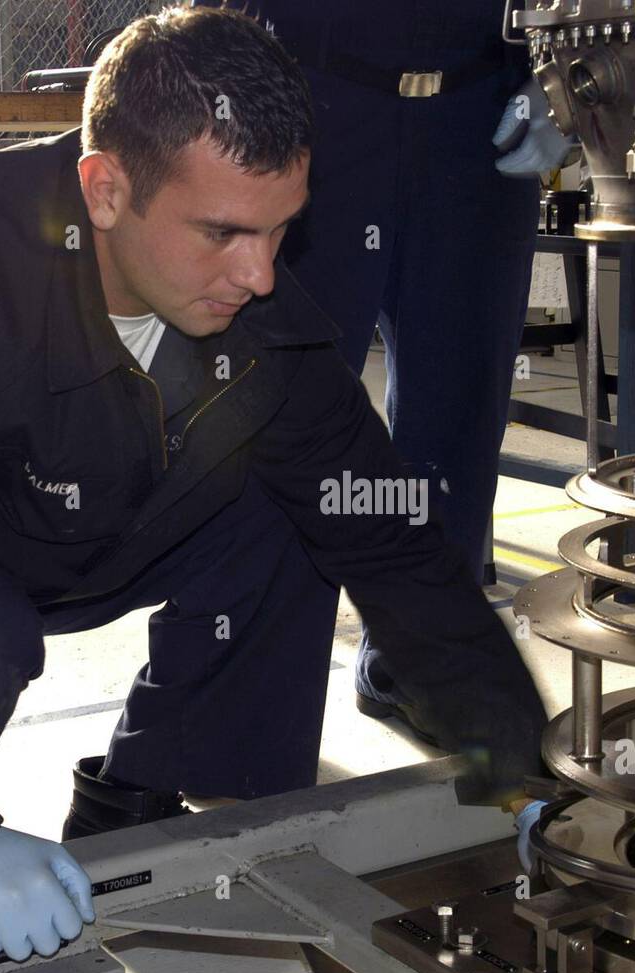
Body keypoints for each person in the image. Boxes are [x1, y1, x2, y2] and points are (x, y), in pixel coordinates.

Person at [0, 8, 546, 973]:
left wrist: (516, 756)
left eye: (282, 230)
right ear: (104, 189)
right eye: (225, 233)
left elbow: (389, 543)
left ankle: (141, 813)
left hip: (110, 514)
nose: (260, 273)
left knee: (306, 503)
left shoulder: (257, 307)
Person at [236, 0, 575, 733]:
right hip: (311, 98)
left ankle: (417, 664)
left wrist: (570, 74)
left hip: (484, 113)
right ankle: (240, 709)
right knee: (279, 405)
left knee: (458, 409)